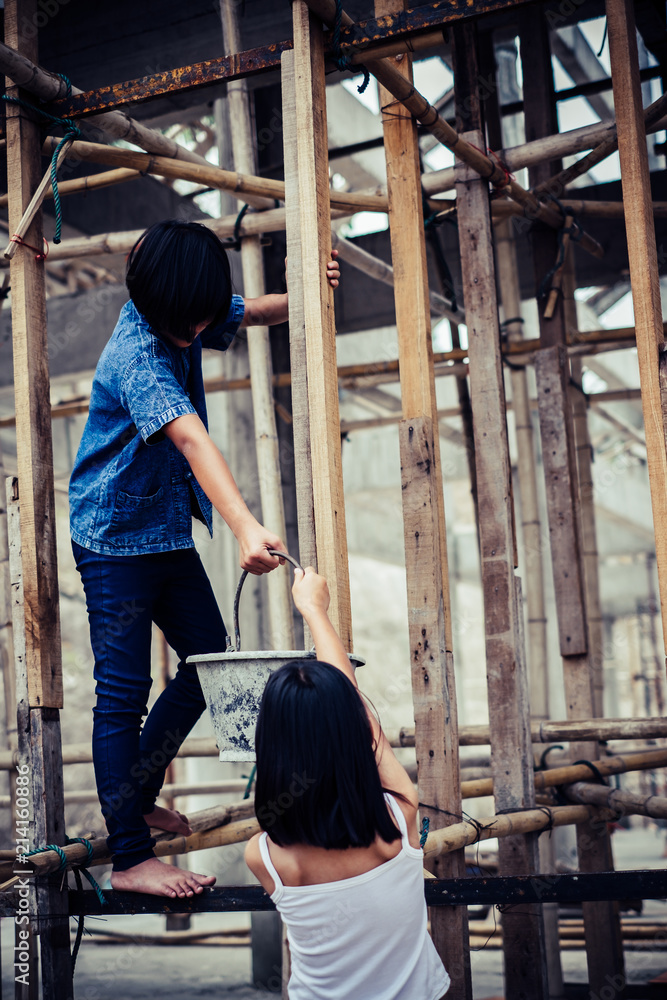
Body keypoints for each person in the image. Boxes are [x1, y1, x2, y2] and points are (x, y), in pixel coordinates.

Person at [69, 219, 340, 898]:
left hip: (162, 528)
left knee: (208, 667)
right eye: (187, 328)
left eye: (203, 322)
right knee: (121, 697)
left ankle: (135, 793)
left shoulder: (186, 309)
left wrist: (300, 295)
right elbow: (190, 440)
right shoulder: (140, 353)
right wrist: (246, 526)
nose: (196, 336)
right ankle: (130, 856)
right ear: (157, 309)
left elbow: (240, 312)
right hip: (111, 538)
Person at [245, 567, 451, 1000]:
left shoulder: (266, 856)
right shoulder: (398, 820)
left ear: (271, 745)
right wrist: (315, 610)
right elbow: (362, 720)